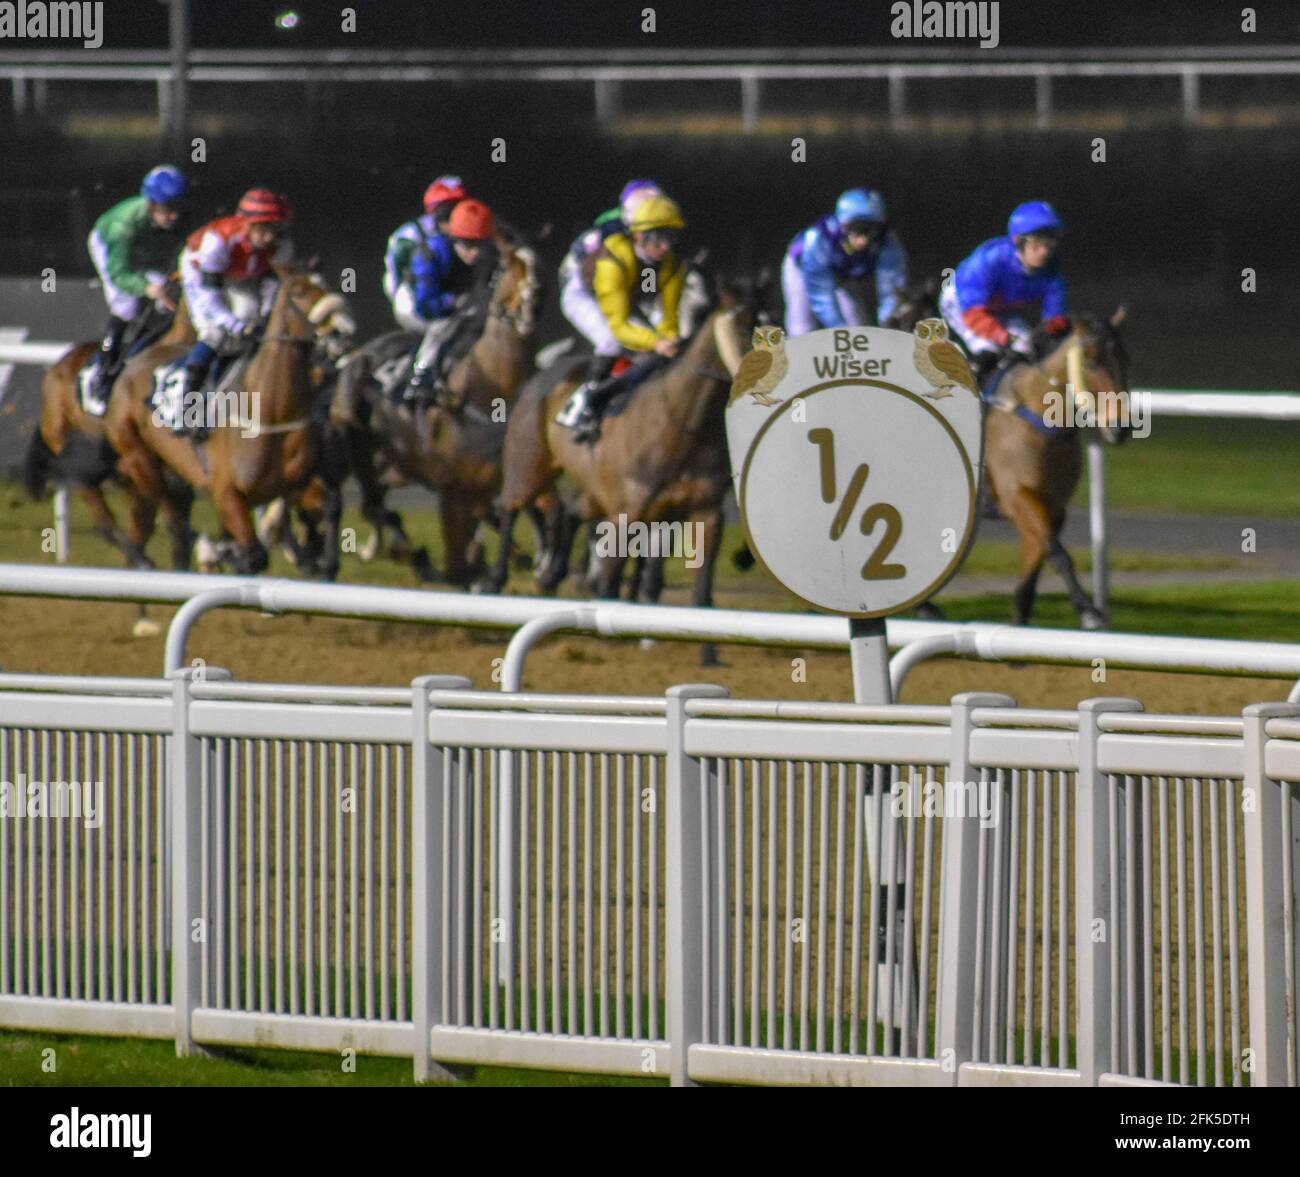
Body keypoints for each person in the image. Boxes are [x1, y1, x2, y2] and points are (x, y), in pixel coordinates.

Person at [554, 194, 686, 443]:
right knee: (609, 342)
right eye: (659, 238)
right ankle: (584, 406)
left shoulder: (668, 263)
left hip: (625, 297)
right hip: (583, 295)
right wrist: (656, 343)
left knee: (663, 347)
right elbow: (619, 326)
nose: (666, 246)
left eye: (671, 238)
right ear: (638, 235)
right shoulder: (612, 258)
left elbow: (668, 314)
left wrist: (668, 337)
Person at [171, 188, 293, 436]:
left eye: (275, 228)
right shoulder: (217, 242)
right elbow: (209, 298)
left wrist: (266, 313)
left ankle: (229, 399)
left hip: (239, 275)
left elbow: (272, 283)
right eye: (263, 228)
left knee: (252, 319)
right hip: (200, 273)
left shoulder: (279, 246)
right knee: (215, 333)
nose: (270, 237)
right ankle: (186, 410)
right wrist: (234, 325)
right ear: (246, 223)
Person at [82, 165, 189, 410]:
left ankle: (143, 353)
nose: (174, 216)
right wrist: (145, 288)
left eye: (177, 209)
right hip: (109, 246)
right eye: (167, 210)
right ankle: (103, 373)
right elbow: (119, 274)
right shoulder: (123, 225)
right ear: (151, 204)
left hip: (142, 247)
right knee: (126, 305)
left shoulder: (174, 217)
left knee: (165, 299)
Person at [939, 200, 1069, 384]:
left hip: (1001, 310)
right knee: (988, 352)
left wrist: (1055, 331)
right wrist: (1002, 337)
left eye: (1049, 245)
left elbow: (1055, 318)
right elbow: (973, 314)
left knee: (1027, 351)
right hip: (962, 304)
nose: (1044, 252)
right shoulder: (989, 260)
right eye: (1037, 245)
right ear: (1019, 242)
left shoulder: (1052, 271)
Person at [402, 197, 498, 404]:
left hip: (456, 305)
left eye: (480, 244)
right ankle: (420, 376)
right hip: (414, 304)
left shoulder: (486, 256)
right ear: (453, 238)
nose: (476, 252)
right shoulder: (430, 253)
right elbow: (424, 306)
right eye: (468, 245)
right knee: (443, 325)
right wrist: (451, 302)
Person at [782, 188, 907, 337]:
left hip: (843, 273)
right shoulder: (819, 239)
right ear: (843, 225)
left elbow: (891, 286)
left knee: (858, 327)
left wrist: (888, 322)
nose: (863, 239)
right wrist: (839, 329)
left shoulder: (887, 240)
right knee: (802, 327)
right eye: (856, 229)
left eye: (870, 230)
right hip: (803, 270)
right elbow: (820, 294)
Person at [383, 175, 468, 332]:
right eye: (452, 210)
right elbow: (393, 280)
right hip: (414, 299)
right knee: (445, 329)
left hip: (446, 292)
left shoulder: (468, 227)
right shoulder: (408, 238)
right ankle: (425, 356)